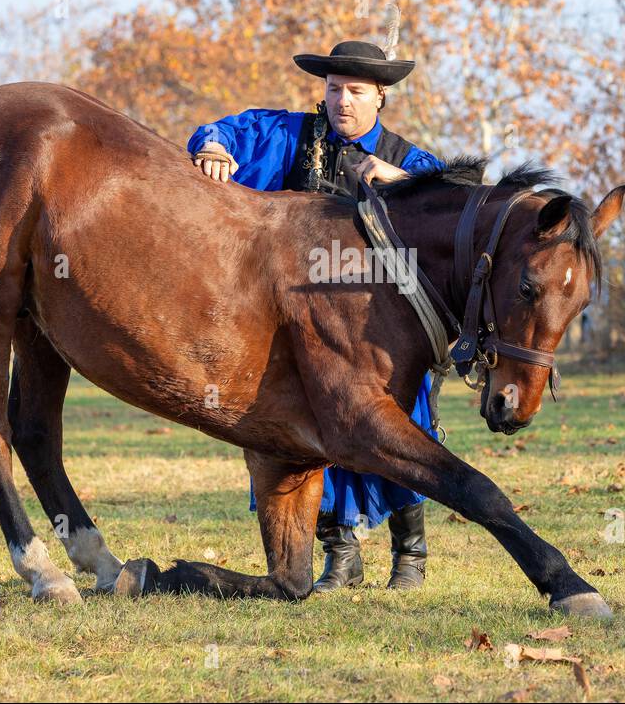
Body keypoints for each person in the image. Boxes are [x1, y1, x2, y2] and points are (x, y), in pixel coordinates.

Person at [186, 39, 444, 591]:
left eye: (355, 91)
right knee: (305, 431)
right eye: (334, 89)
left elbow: (455, 200)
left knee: (405, 428)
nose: (342, 101)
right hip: (304, 328)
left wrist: (403, 183)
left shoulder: (406, 159)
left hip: (380, 333)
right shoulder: (292, 136)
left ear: (381, 96)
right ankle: (340, 555)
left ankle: (411, 555)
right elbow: (229, 131)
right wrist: (212, 147)